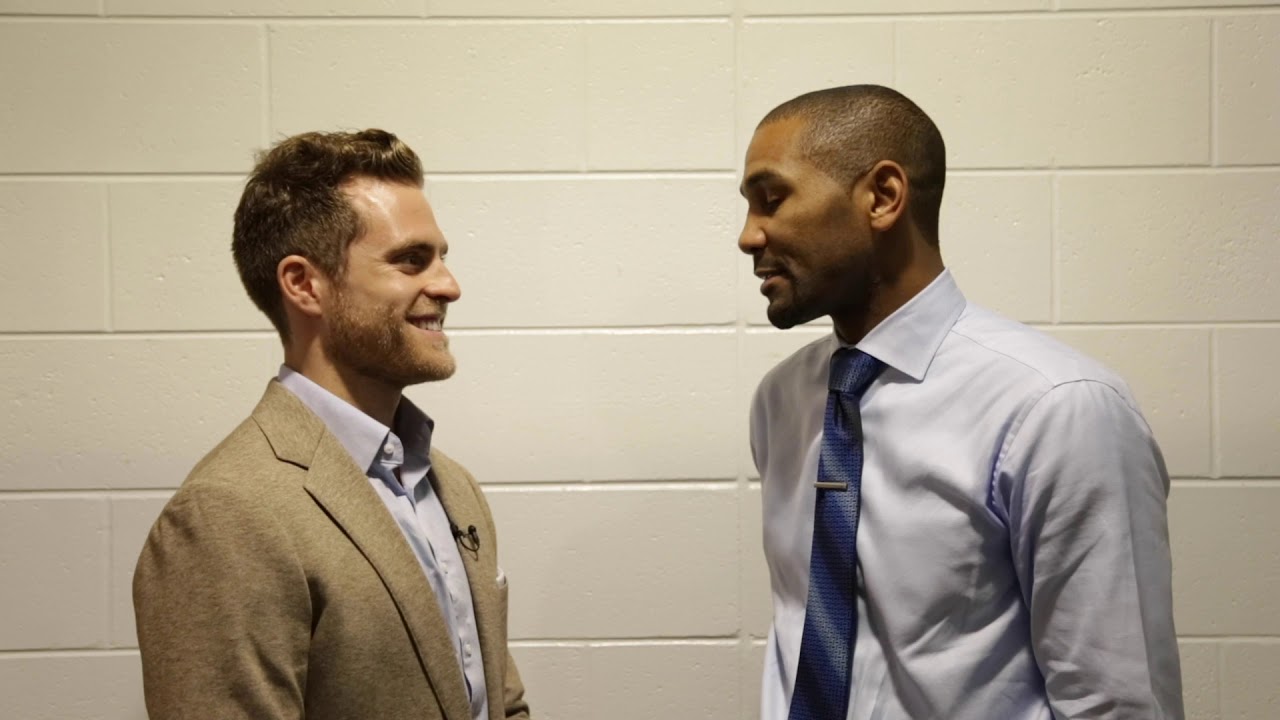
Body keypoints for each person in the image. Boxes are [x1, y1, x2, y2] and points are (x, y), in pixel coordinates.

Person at [741, 85, 1183, 719]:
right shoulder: (783, 402)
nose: (749, 236)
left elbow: (1116, 700)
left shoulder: (1056, 409)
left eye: (771, 200)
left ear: (883, 197)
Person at [133, 129, 530, 720]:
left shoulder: (452, 487)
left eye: (442, 257)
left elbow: (500, 704)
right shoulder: (227, 514)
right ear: (303, 284)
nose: (448, 285)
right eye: (410, 260)